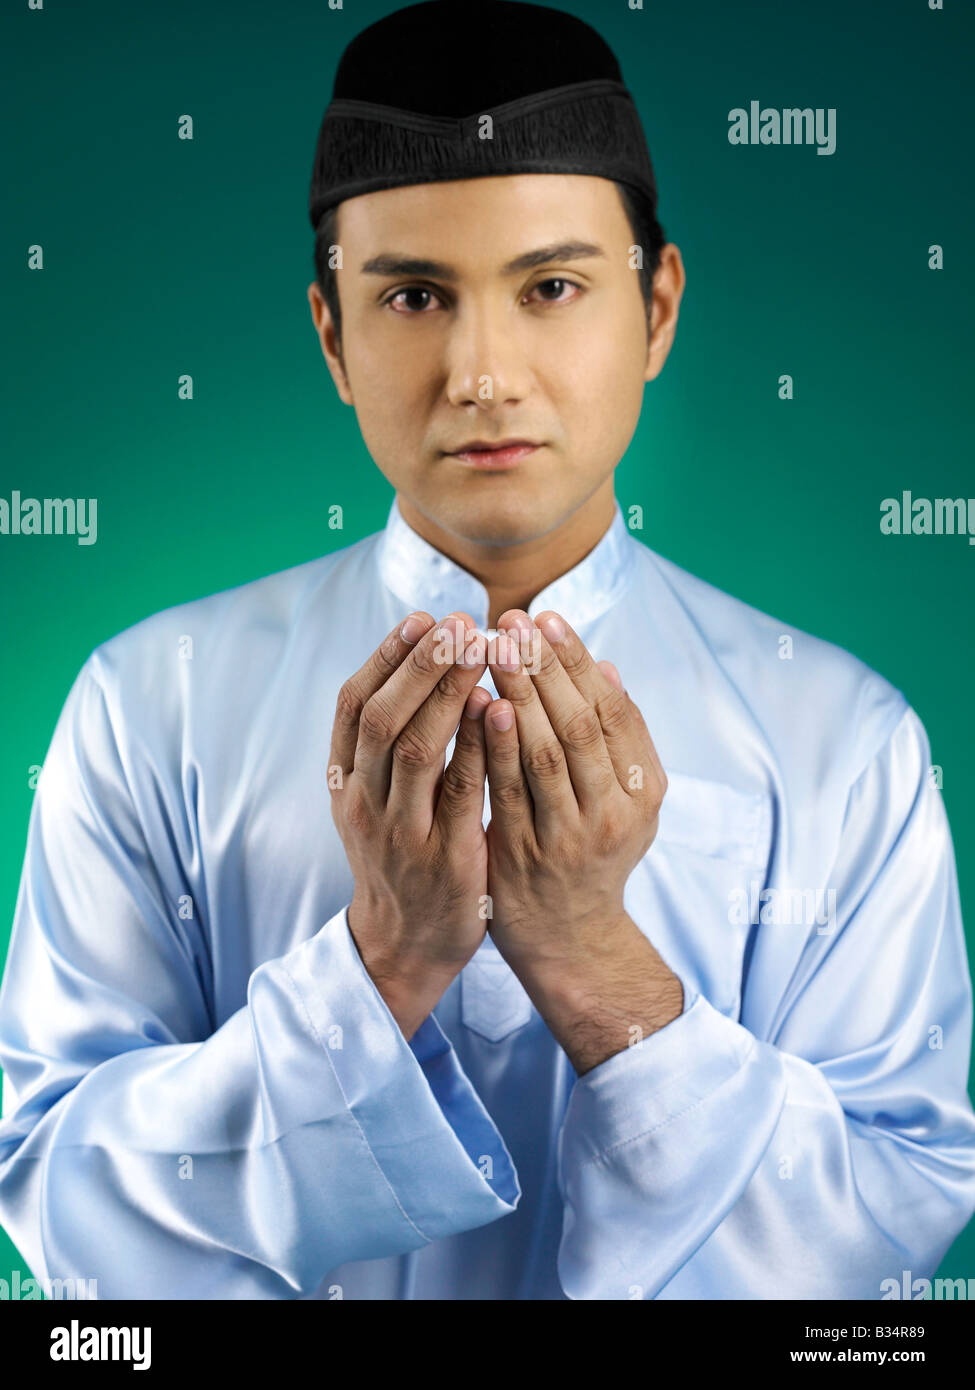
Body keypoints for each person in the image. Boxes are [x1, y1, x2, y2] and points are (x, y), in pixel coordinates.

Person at [1, 0, 974, 1301]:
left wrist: (595, 963)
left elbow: (893, 1232)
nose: (481, 369)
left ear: (660, 305)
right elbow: (60, 1197)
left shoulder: (844, 735)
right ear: (333, 334)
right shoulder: (145, 703)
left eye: (552, 287)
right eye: (414, 294)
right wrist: (383, 960)